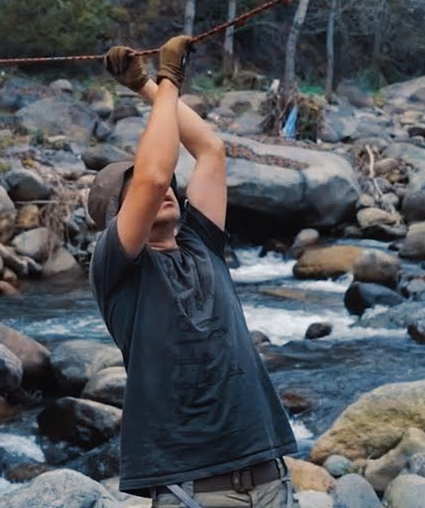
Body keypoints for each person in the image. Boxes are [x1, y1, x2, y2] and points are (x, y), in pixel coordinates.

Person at [86, 35, 298, 508]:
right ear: (116, 216)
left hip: (269, 476)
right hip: (193, 490)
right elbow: (155, 174)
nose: (163, 191)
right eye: (132, 192)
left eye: (168, 190)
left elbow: (210, 150)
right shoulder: (116, 267)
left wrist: (143, 85)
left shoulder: (201, 242)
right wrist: (169, 80)